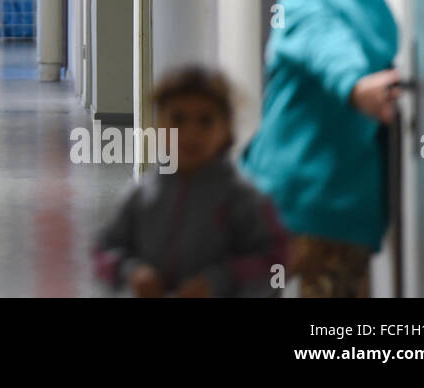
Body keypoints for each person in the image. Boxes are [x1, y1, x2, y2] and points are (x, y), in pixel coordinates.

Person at [241, 0, 401, 298]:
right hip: (351, 200)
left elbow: (326, 44)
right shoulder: (372, 2)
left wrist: (354, 85)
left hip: (294, 192)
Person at [93, 66, 288, 298]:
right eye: (177, 119)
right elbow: (104, 252)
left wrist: (219, 280)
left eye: (205, 121)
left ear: (226, 129)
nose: (190, 133)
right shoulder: (141, 194)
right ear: (158, 126)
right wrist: (131, 271)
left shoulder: (244, 197)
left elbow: (275, 262)